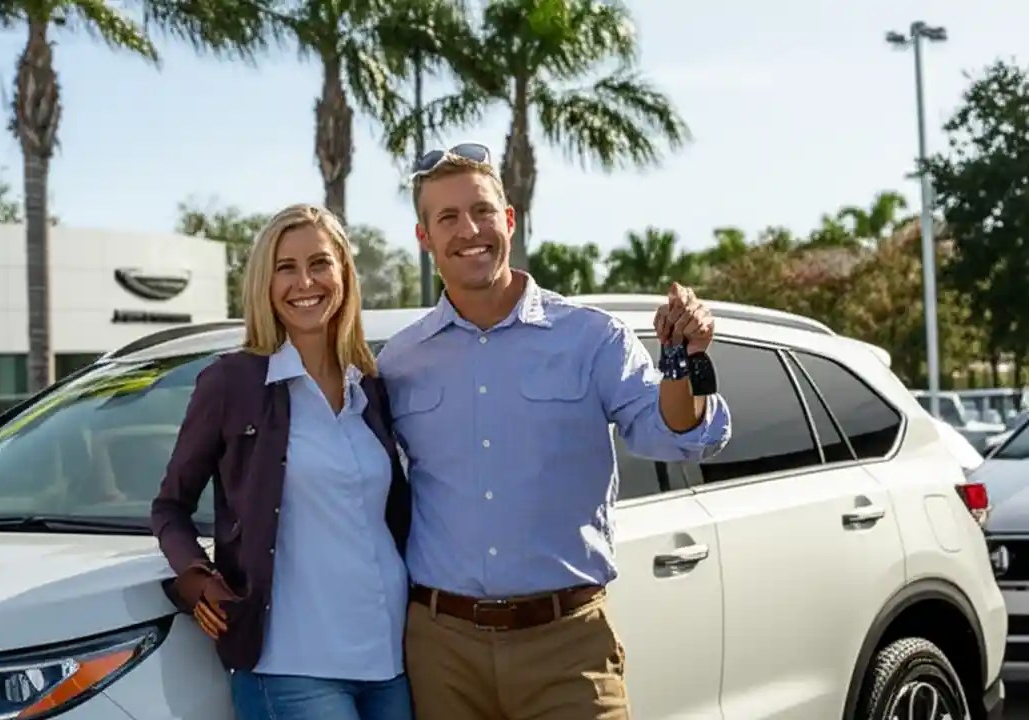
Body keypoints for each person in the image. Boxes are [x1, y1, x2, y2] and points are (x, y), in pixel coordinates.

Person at [376, 143, 733, 720]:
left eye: (483, 210)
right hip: (441, 651)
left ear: (509, 220)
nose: (469, 229)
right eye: (447, 218)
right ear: (425, 239)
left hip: (568, 645)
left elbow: (670, 436)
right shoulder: (400, 361)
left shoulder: (592, 339)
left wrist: (679, 358)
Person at [150, 203, 414, 720]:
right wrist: (196, 577)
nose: (304, 282)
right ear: (264, 284)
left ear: (343, 272)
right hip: (290, 666)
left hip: (389, 660)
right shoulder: (231, 384)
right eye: (285, 267)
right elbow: (169, 507)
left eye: (319, 263)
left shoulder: (372, 386)